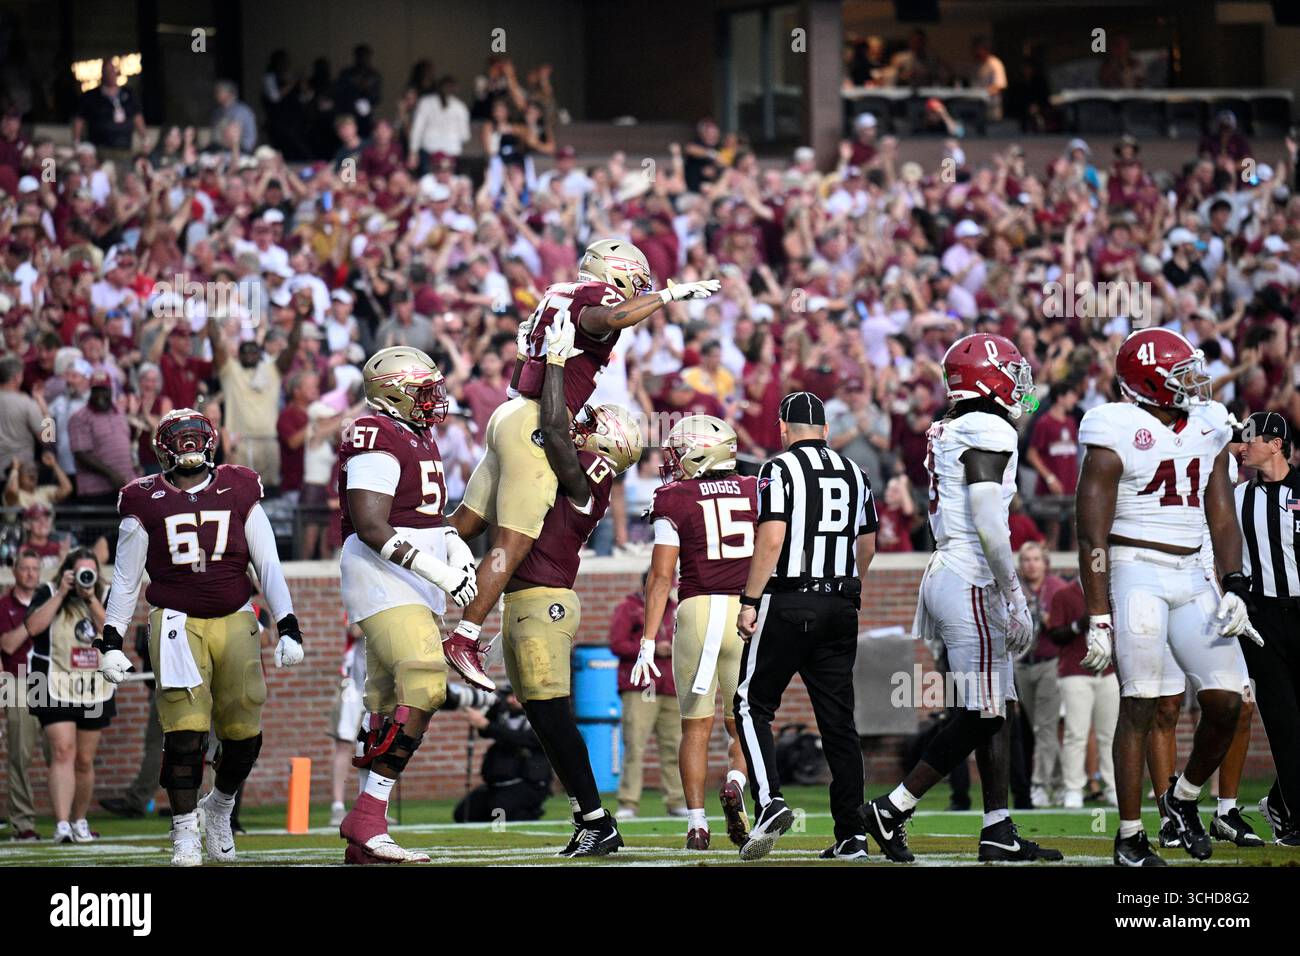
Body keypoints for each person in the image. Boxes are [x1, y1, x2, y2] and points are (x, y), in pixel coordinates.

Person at [446, 239, 718, 690]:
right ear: (615, 274)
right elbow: (610, 317)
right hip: (534, 423)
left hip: (510, 412)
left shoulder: (557, 292)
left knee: (467, 522)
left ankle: (409, 555)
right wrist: (668, 297)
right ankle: (465, 636)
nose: (637, 291)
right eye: (635, 283)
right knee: (512, 542)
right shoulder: (595, 299)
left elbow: (527, 370)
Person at [863, 335, 1063, 864]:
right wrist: (1016, 594)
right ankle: (893, 807)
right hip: (971, 574)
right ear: (987, 376)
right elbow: (989, 521)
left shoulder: (955, 424)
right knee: (983, 710)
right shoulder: (988, 426)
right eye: (1011, 372)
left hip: (955, 570)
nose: (1021, 385)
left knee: (998, 709)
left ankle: (997, 828)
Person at [1075, 327, 1258, 866]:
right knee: (1142, 701)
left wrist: (1236, 584)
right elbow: (1092, 534)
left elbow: (1220, 512)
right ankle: (1130, 836)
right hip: (1136, 570)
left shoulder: (1207, 425)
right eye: (1181, 374)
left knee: (1227, 702)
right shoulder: (1113, 428)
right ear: (1150, 383)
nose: (1194, 382)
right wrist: (1098, 615)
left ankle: (1182, 800)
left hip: (1191, 572)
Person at [96, 408, 303, 866]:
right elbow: (127, 579)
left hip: (235, 616)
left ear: (209, 442)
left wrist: (287, 623)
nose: (188, 447)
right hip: (174, 621)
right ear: (163, 448)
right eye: (180, 438)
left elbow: (266, 562)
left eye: (195, 437)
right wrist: (110, 639)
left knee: (244, 734)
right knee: (185, 733)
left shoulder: (240, 486)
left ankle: (221, 807)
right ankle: (185, 831)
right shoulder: (143, 497)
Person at [493, 311, 642, 856]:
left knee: (553, 713)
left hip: (544, 600)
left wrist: (554, 363)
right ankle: (590, 817)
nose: (583, 422)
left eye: (593, 422)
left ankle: (599, 820)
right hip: (526, 598)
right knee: (540, 713)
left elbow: (554, 429)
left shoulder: (589, 475)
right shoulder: (583, 469)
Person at [337, 346, 477, 864]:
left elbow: (427, 514)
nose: (435, 398)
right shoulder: (375, 434)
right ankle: (369, 817)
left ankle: (364, 836)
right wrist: (438, 569)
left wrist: (454, 546)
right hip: (382, 573)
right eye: (423, 389)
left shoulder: (419, 433)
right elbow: (373, 525)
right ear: (392, 391)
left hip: (414, 574)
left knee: (383, 698)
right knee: (425, 680)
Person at [734, 391, 878, 862]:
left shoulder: (777, 469)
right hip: (840, 603)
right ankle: (853, 834)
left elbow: (772, 536)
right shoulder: (856, 472)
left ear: (782, 428)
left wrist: (750, 600)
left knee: (751, 703)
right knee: (839, 723)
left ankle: (770, 803)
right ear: (826, 431)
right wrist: (846, 587)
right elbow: (868, 544)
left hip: (790, 599)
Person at [639, 415, 757, 849]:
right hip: (747, 614)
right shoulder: (756, 489)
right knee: (743, 723)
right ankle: (735, 784)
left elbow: (661, 576)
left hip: (699, 611)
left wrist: (648, 640)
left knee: (695, 726)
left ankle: (696, 824)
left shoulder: (674, 497)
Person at [1233, 411, 1300, 847]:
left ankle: (1278, 802)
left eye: (1250, 438)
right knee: (1283, 722)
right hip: (1261, 619)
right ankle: (1294, 819)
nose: (1243, 446)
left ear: (1276, 443)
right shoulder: (1237, 496)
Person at [24, 548, 112, 844]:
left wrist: (90, 596)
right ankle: (62, 824)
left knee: (85, 759)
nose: (85, 578)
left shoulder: (105, 593)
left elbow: (112, 632)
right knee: (63, 751)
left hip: (92, 686)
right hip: (53, 682)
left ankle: (80, 820)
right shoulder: (48, 591)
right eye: (79, 572)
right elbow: (33, 627)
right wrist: (62, 592)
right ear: (67, 571)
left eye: (91, 572)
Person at [609, 575, 685, 823]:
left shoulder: (677, 610)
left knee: (674, 747)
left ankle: (676, 801)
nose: (670, 591)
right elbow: (617, 644)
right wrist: (650, 648)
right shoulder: (629, 608)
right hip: (640, 686)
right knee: (635, 746)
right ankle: (628, 802)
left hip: (671, 686)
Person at [1044, 578, 1119, 809]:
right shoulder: (1065, 595)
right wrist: (1079, 625)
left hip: (1107, 672)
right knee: (1075, 733)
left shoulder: (1112, 591)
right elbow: (1055, 634)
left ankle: (1113, 787)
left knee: (1110, 735)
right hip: (1075, 671)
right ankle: (1073, 788)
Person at [1013, 541, 1068, 808]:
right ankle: (1060, 783)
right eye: (1025, 559)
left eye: (1036, 559)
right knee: (1039, 729)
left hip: (1050, 662)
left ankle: (1040, 785)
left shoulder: (1057, 588)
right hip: (1022, 663)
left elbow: (1072, 626)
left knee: (1045, 727)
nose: (1031, 564)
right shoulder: (1014, 589)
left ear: (1045, 562)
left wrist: (1052, 621)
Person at [452, 682, 552, 823]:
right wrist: (487, 706)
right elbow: (485, 732)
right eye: (508, 696)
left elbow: (524, 739)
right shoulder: (504, 712)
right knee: (464, 813)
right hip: (496, 784)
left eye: (515, 696)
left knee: (499, 812)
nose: (510, 700)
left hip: (528, 784)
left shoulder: (542, 717)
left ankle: (529, 813)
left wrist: (487, 725)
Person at [0, 550, 44, 840]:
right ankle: (23, 822)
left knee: (63, 752)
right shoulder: (4, 606)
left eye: (34, 568)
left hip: (53, 681)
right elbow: (6, 643)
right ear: (14, 572)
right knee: (20, 753)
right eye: (24, 568)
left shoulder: (49, 602)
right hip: (17, 681)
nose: (29, 573)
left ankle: (70, 819)